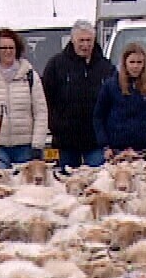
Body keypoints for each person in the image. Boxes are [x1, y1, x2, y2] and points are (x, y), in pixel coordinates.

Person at [41, 20, 114, 170]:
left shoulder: (106, 67)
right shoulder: (56, 65)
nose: (85, 45)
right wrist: (55, 126)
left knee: (98, 181)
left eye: (89, 40)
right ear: (73, 40)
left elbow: (112, 102)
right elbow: (45, 99)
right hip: (65, 142)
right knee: (65, 181)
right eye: (81, 40)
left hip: (96, 142)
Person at [0, 28, 50, 166]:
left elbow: (41, 112)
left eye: (11, 47)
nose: (8, 51)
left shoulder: (31, 76)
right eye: (3, 48)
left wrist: (37, 145)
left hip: (26, 148)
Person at [95, 42, 146, 161]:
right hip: (118, 152)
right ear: (125, 63)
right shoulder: (110, 86)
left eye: (139, 62)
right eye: (132, 62)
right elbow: (99, 116)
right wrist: (105, 146)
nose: (135, 66)